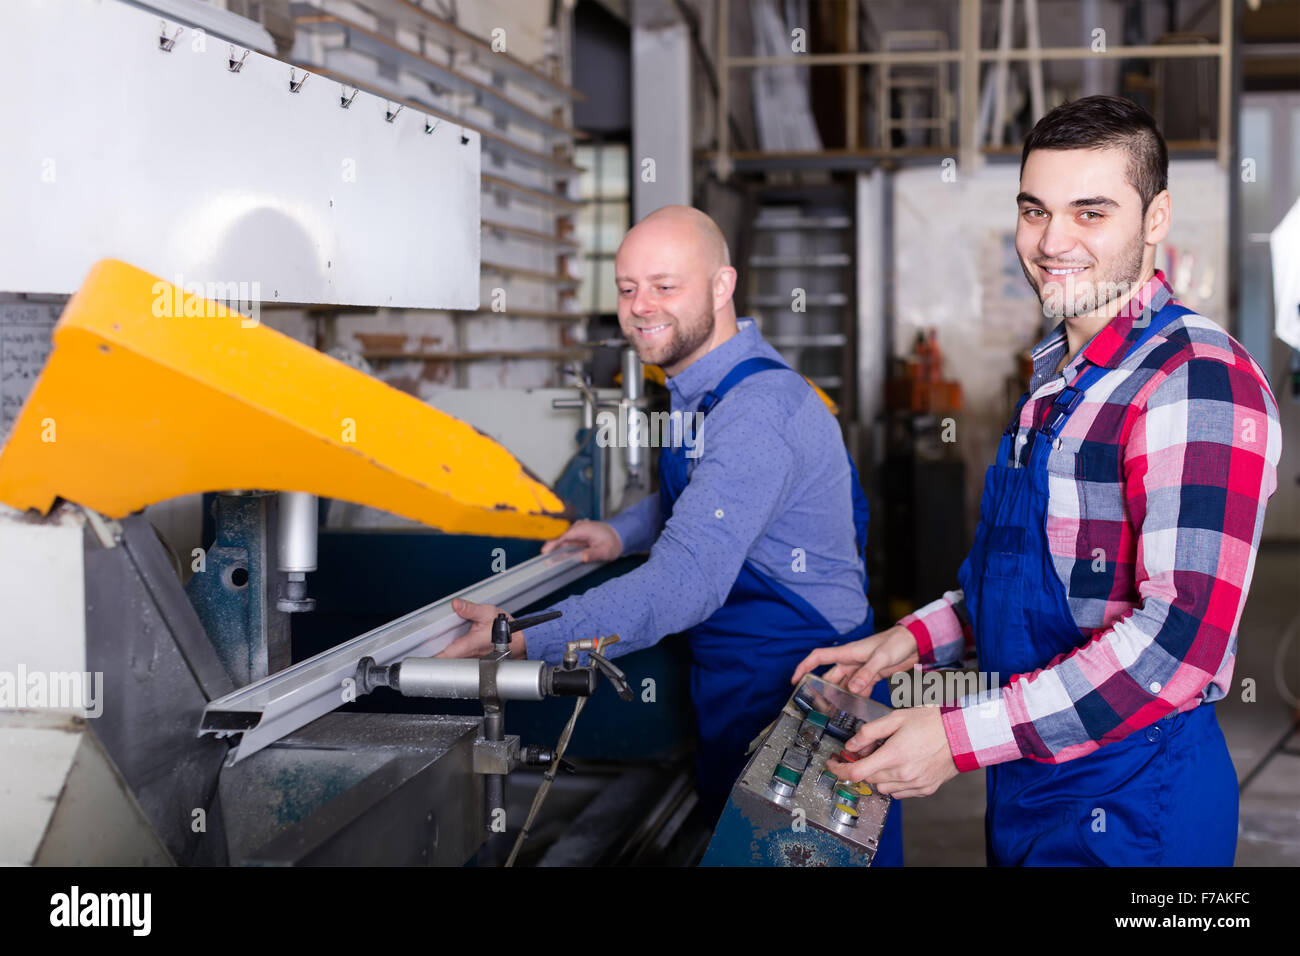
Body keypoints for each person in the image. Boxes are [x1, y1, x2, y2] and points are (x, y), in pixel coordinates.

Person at [794, 95, 1281, 866]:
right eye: (1034, 211)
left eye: (1090, 213)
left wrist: (954, 736)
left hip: (1133, 806)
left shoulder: (1195, 380)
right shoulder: (1058, 379)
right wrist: (911, 641)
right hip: (1030, 780)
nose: (1052, 242)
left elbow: (1176, 647)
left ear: (1156, 219)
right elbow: (1030, 583)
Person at [443, 205, 903, 863]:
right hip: (742, 683)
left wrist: (523, 634)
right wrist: (618, 532)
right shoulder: (706, 385)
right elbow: (702, 493)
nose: (639, 306)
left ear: (722, 287)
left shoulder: (755, 412)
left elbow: (685, 583)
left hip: (799, 686)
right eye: (627, 288)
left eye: (664, 286)